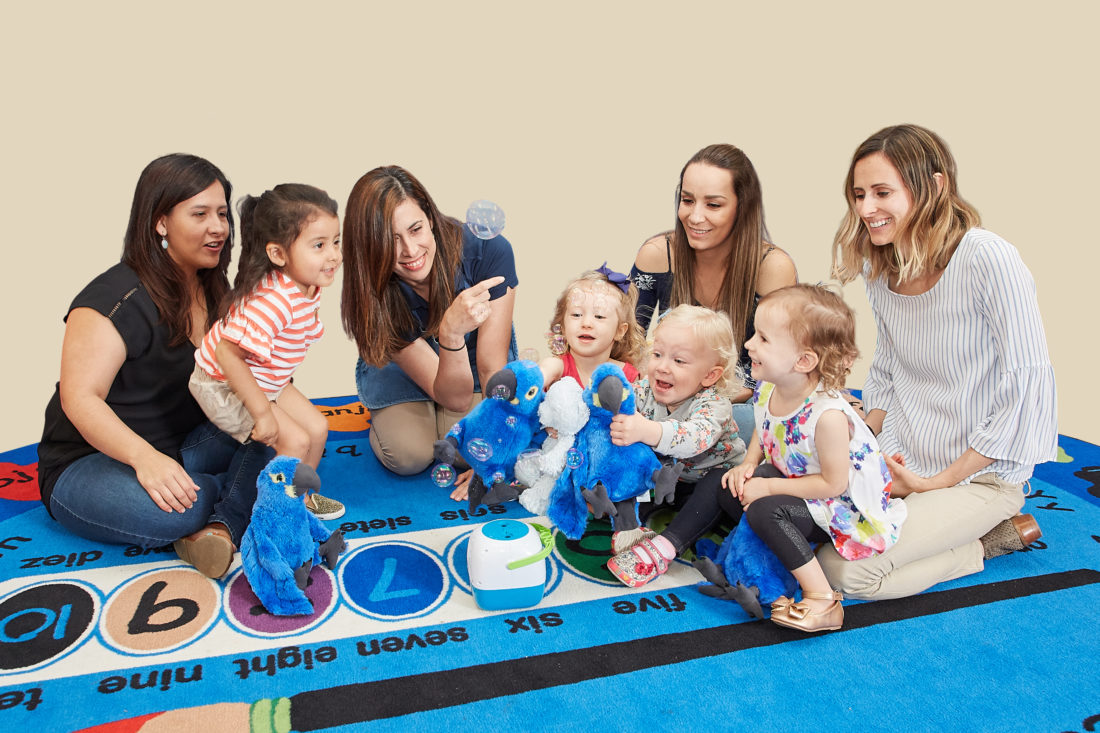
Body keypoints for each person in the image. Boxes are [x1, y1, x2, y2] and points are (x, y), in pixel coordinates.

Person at [822, 123, 1057, 600]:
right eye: (859, 194)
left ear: (934, 185)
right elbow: (888, 367)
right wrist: (864, 437)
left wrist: (935, 484)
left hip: (978, 477)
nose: (866, 209)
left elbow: (1028, 387)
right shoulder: (880, 265)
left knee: (846, 574)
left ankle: (987, 543)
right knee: (801, 533)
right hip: (904, 456)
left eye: (882, 192)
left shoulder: (989, 258)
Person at [37, 154, 274, 579]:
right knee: (187, 509)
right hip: (89, 461)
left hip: (183, 445)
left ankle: (230, 514)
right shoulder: (113, 298)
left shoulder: (213, 287)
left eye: (221, 213)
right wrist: (144, 459)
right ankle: (238, 502)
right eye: (199, 213)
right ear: (160, 222)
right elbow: (80, 398)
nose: (218, 227)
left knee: (275, 427)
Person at [722, 285, 906, 632]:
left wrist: (769, 486)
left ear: (803, 361)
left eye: (762, 338)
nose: (748, 345)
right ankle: (675, 545)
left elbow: (834, 484)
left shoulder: (829, 416)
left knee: (765, 508)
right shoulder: (770, 387)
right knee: (730, 483)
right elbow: (763, 428)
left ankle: (822, 598)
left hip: (842, 507)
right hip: (801, 483)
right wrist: (748, 464)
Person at [342, 166, 518, 492]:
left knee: (470, 452)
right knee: (409, 456)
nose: (410, 251)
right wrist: (450, 334)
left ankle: (438, 423)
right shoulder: (373, 290)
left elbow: (490, 367)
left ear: (431, 218)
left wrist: (494, 459)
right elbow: (455, 397)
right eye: (390, 240)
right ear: (369, 246)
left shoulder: (489, 251)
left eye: (416, 229)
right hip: (403, 372)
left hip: (473, 363)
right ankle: (399, 415)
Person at [190, 183, 344, 520]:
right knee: (295, 441)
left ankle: (300, 499)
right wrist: (261, 413)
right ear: (278, 254)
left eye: (335, 242)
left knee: (317, 429)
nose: (333, 255)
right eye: (318, 245)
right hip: (221, 381)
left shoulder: (306, 284)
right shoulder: (273, 302)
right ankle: (275, 517)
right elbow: (228, 355)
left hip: (262, 378)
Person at [629, 143, 797, 438]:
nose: (694, 217)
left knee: (748, 423)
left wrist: (700, 403)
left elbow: (781, 367)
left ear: (742, 208)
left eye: (713, 205)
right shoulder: (657, 254)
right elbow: (627, 342)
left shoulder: (772, 267)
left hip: (738, 408)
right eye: (687, 200)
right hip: (663, 402)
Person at [604, 304, 747, 565]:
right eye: (657, 354)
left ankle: (667, 544)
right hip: (667, 480)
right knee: (627, 484)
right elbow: (617, 406)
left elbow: (693, 439)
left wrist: (647, 430)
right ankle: (631, 526)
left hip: (709, 484)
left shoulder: (715, 404)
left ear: (710, 375)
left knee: (717, 484)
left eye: (678, 360)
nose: (662, 367)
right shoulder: (645, 390)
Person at [539, 264, 645, 390]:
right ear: (562, 326)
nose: (586, 323)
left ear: (620, 331)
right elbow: (542, 373)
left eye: (599, 316)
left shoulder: (628, 376)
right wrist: (537, 378)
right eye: (576, 314)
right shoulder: (557, 367)